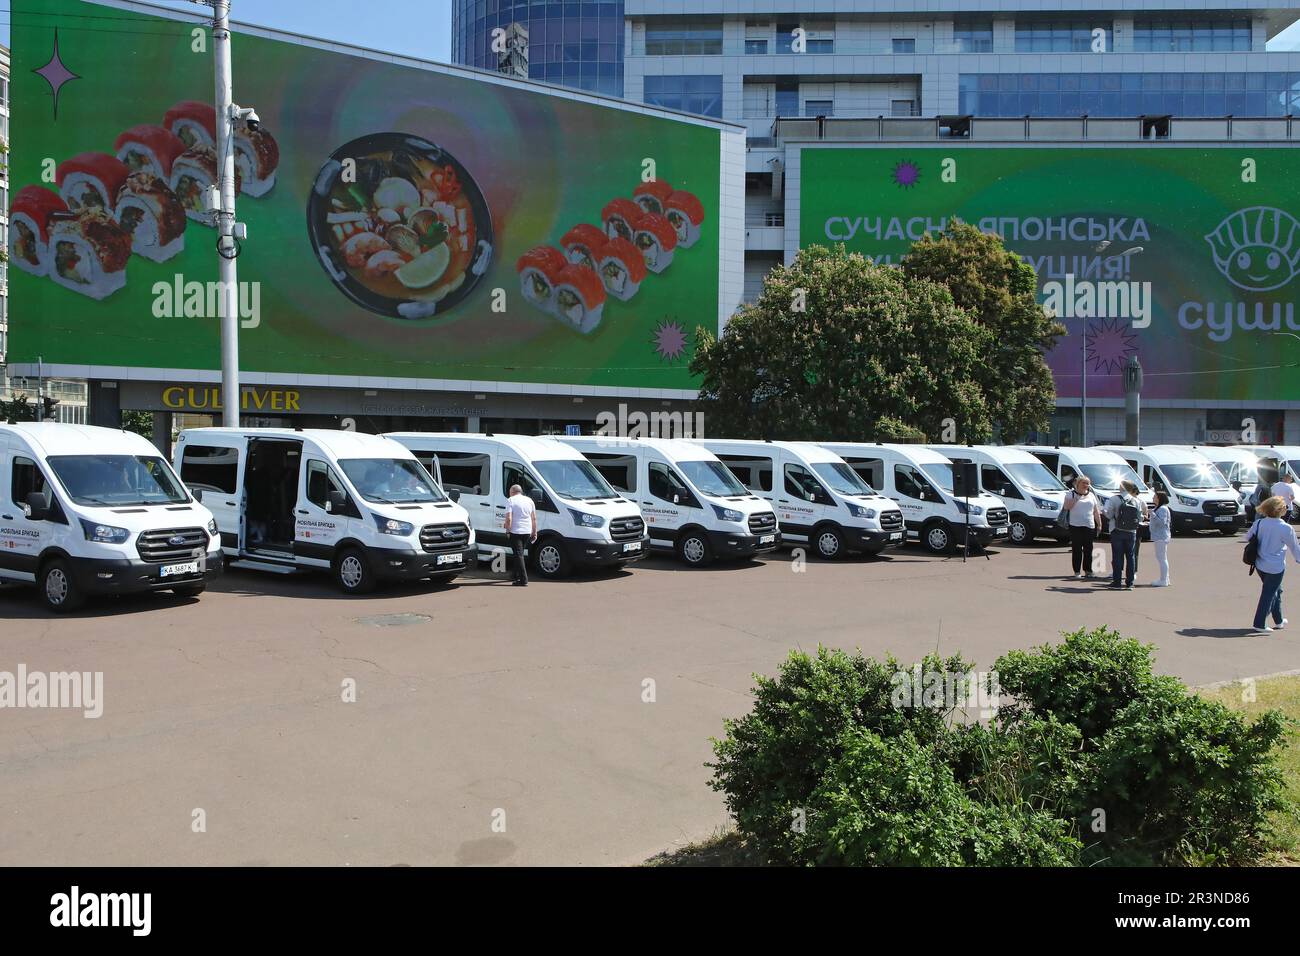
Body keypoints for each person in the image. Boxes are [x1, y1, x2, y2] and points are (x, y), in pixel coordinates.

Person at [1245, 495, 1300, 633]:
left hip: (1260, 564)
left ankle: (1279, 620)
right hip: (1275, 566)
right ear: (1279, 510)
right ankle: (1259, 623)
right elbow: (1294, 547)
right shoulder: (1285, 528)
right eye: (1284, 507)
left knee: (1276, 590)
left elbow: (1248, 537)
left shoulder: (1259, 523)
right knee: (1269, 593)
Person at [1105, 479, 1148, 590]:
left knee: (1117, 556)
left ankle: (1117, 582)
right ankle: (1130, 583)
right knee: (1131, 556)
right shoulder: (1136, 500)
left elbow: (1109, 514)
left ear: (1121, 487)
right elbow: (1140, 517)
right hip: (1131, 531)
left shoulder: (1114, 499)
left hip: (1117, 529)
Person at [1063, 475, 1103, 579]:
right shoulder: (1070, 494)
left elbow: (1096, 511)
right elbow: (1066, 507)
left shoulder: (1091, 495)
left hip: (1089, 525)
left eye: (1087, 483)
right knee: (1077, 549)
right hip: (1075, 525)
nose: (1086, 485)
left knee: (1088, 549)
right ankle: (1077, 571)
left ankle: (1088, 570)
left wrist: (1099, 524)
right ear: (1078, 484)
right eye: (1083, 483)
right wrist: (1076, 498)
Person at [505, 483, 537, 586]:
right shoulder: (529, 501)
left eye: (510, 492)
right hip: (527, 531)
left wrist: (508, 531)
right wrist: (534, 532)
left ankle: (523, 579)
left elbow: (509, 518)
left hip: (516, 531)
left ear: (513, 492)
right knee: (519, 553)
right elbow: (534, 518)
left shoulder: (510, 500)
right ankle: (515, 574)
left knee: (518, 554)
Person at [1149, 491, 1172, 587]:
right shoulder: (1159, 508)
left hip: (1161, 536)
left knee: (1161, 558)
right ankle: (1166, 578)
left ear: (1159, 498)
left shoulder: (1162, 508)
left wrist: (1153, 515)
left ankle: (1163, 580)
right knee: (1162, 558)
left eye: (1155, 496)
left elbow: (1162, 522)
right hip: (1160, 535)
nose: (1153, 498)